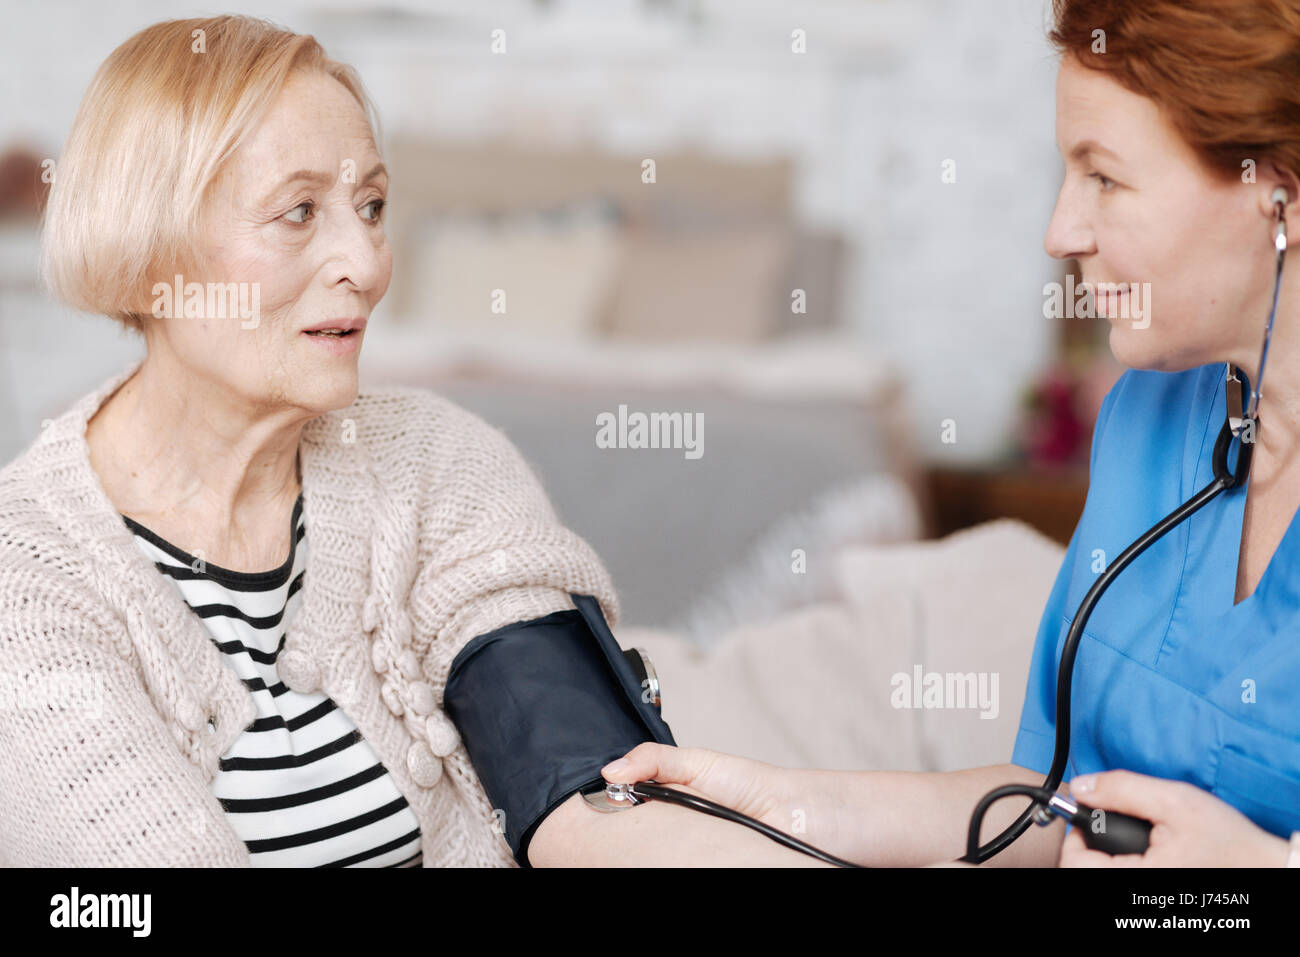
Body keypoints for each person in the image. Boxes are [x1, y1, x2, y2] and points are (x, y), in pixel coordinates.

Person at [0, 15, 816, 867]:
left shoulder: (439, 461)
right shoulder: (24, 582)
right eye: (300, 211)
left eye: (373, 206)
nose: (367, 260)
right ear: (145, 241)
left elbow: (591, 798)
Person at [602, 0, 1300, 868]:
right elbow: (1050, 811)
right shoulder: (1147, 420)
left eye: (1105, 179)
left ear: (1281, 194)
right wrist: (777, 801)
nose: (1059, 233)